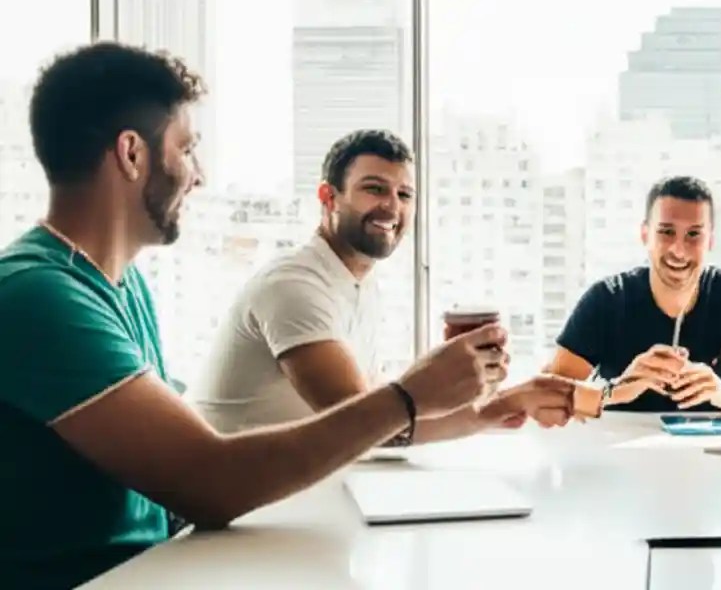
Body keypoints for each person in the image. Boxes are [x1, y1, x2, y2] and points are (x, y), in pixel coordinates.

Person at [0, 43, 575, 588]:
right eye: (186, 148)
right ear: (132, 154)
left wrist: (475, 405)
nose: (197, 174)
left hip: (157, 565)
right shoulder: (40, 297)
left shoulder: (117, 288)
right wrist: (409, 394)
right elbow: (208, 483)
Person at [191, 129, 524, 434]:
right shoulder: (294, 285)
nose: (392, 206)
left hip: (293, 485)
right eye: (374, 189)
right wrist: (463, 392)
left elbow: (379, 407)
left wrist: (503, 404)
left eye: (405, 194)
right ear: (328, 197)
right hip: (239, 492)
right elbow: (361, 423)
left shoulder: (360, 284)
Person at [544, 176, 721, 413]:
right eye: (666, 232)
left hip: (708, 451)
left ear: (710, 241)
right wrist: (616, 390)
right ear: (645, 235)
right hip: (615, 451)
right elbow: (546, 392)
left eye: (694, 234)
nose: (679, 251)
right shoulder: (606, 299)